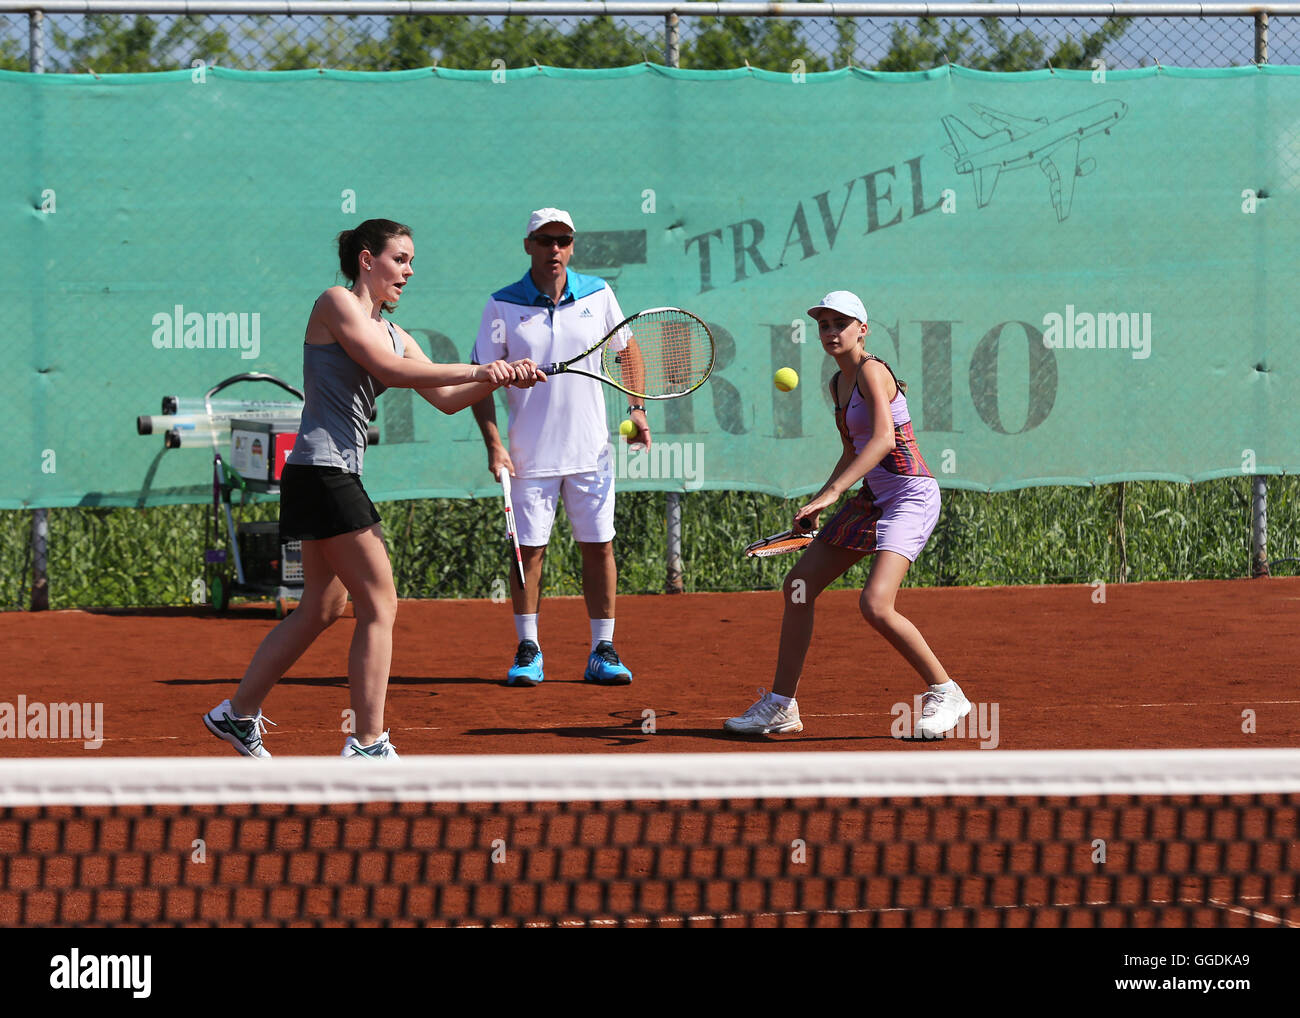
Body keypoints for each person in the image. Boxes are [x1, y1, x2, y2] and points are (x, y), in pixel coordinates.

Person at [203, 218, 539, 759]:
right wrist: (484, 370)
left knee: (320, 607)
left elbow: (448, 396)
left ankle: (237, 715)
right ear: (366, 260)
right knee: (380, 603)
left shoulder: (395, 331)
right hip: (322, 470)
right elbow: (390, 371)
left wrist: (498, 377)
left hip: (331, 475)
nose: (408, 271)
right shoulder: (336, 303)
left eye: (411, 262)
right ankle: (367, 743)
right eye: (399, 259)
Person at [724, 290, 970, 739]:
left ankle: (946, 691)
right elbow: (852, 451)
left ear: (863, 329)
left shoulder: (874, 372)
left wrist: (830, 495)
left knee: (875, 604)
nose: (831, 331)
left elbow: (883, 442)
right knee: (799, 586)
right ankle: (781, 705)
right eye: (824, 324)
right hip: (872, 499)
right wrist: (820, 500)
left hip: (910, 496)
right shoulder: (838, 384)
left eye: (841, 323)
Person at [471, 207, 643, 687]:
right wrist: (494, 445)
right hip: (528, 457)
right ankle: (528, 649)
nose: (554, 250)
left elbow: (627, 350)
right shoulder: (502, 306)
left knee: (600, 547)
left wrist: (637, 409)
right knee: (527, 554)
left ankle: (602, 651)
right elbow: (481, 380)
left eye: (562, 241)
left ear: (572, 246)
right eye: (545, 241)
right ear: (528, 245)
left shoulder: (598, 294)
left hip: (592, 453)